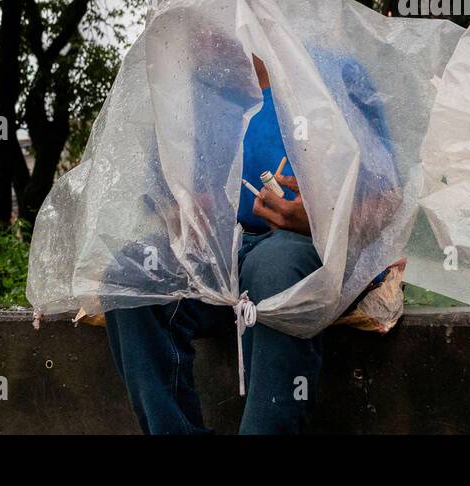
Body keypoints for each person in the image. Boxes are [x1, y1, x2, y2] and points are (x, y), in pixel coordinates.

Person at [104, 54, 324, 435]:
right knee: (131, 271)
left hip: (298, 247)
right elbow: (161, 205)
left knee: (273, 267)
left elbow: (383, 200)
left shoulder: (324, 74)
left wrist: (319, 216)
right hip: (216, 255)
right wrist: (188, 208)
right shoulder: (190, 94)